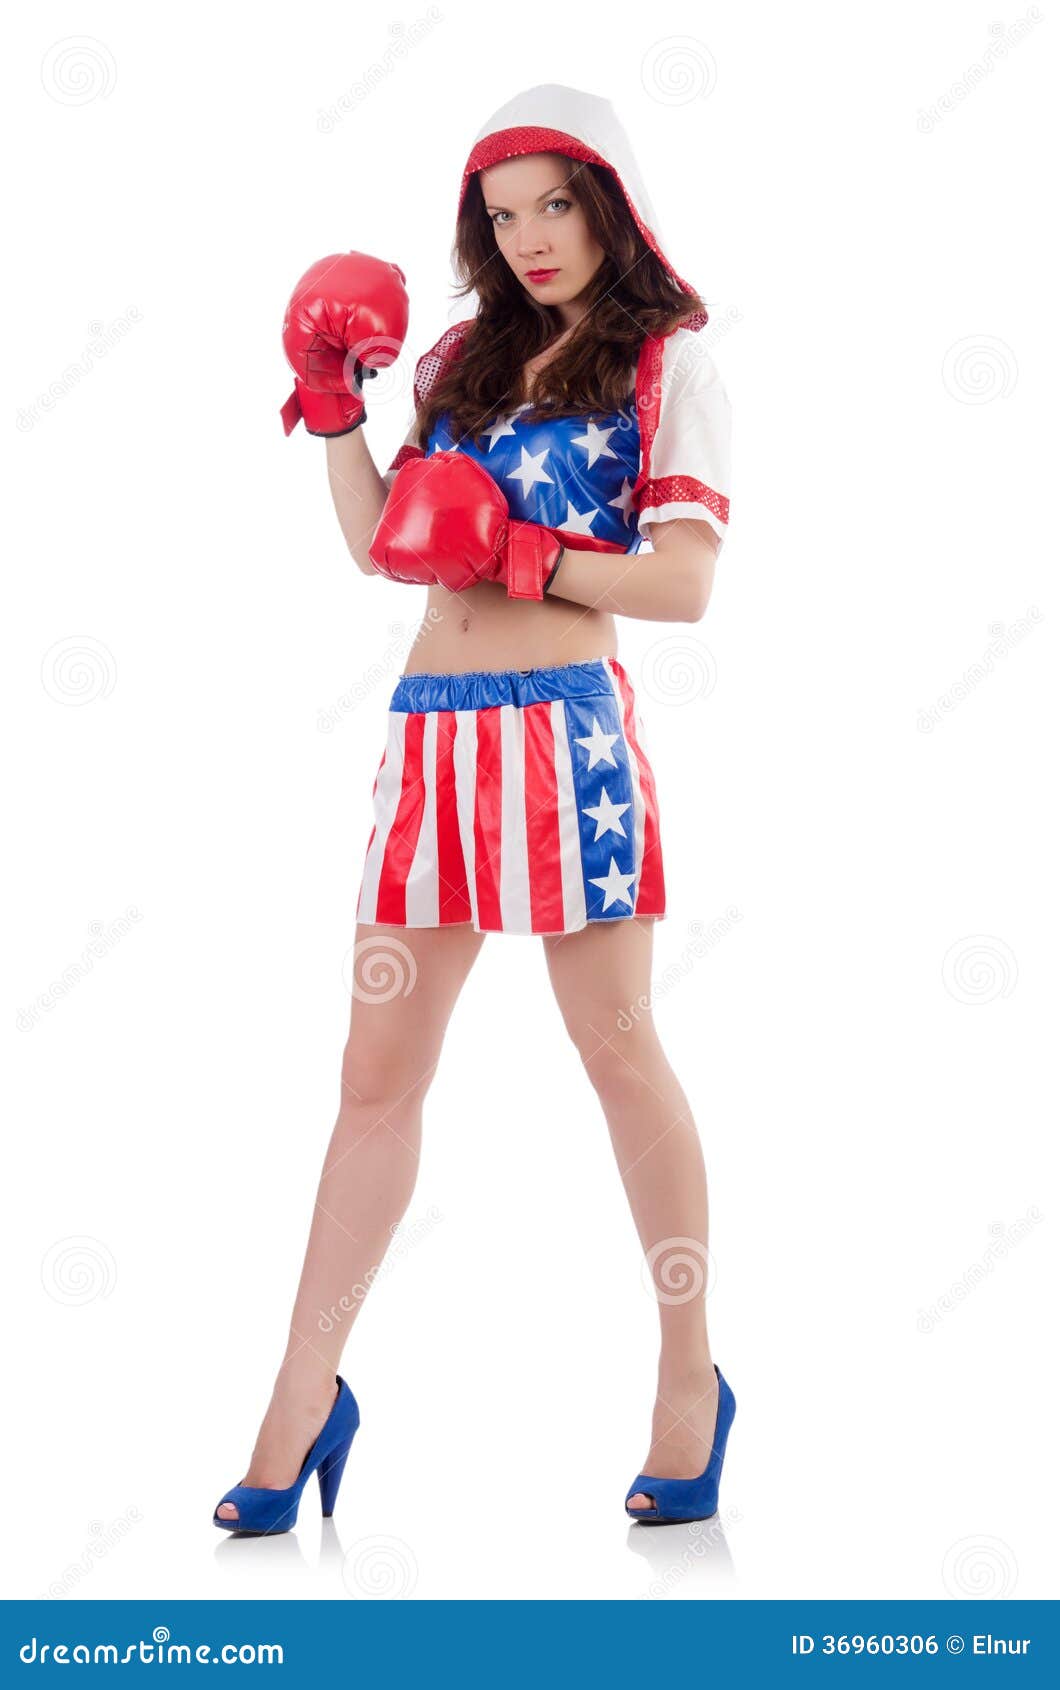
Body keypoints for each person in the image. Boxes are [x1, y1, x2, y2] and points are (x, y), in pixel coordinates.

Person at [213, 82, 736, 1535]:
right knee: (373, 1076)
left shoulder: (669, 365)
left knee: (620, 1053)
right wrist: (335, 413)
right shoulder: (456, 355)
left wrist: (524, 555)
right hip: (431, 742)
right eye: (501, 218)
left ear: (609, 201)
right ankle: (303, 1395)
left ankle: (690, 1381)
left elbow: (684, 585)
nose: (529, 240)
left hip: (566, 742)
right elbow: (391, 548)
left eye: (554, 206)